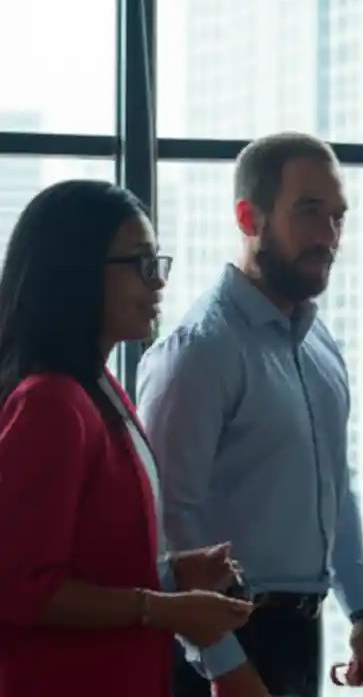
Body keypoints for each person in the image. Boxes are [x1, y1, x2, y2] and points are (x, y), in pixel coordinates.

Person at [137, 133, 363, 697]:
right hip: (223, 641)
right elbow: (168, 520)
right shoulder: (199, 350)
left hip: (303, 632)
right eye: (308, 212)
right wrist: (223, 662)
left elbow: (334, 486)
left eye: (337, 216)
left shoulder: (318, 342)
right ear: (249, 217)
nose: (329, 235)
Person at [0, 180, 254, 696]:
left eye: (157, 262)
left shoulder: (100, 385)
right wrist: (164, 609)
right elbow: (19, 587)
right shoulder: (50, 402)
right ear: (77, 272)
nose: (157, 282)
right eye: (140, 263)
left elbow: (92, 562)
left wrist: (172, 573)